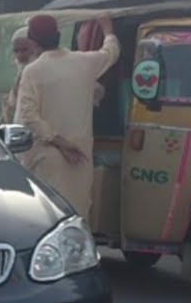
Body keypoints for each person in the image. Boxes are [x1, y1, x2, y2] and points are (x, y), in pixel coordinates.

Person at [14, 14, 120, 218]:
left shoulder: (32, 71)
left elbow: (28, 117)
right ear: (58, 36)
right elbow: (110, 52)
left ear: (33, 41)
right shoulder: (84, 62)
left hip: (46, 158)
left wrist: (61, 143)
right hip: (79, 159)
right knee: (76, 218)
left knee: (47, 218)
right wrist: (107, 30)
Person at [0, 27, 40, 125]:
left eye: (24, 50)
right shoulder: (21, 72)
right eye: (16, 51)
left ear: (35, 47)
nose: (20, 55)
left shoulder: (40, 71)